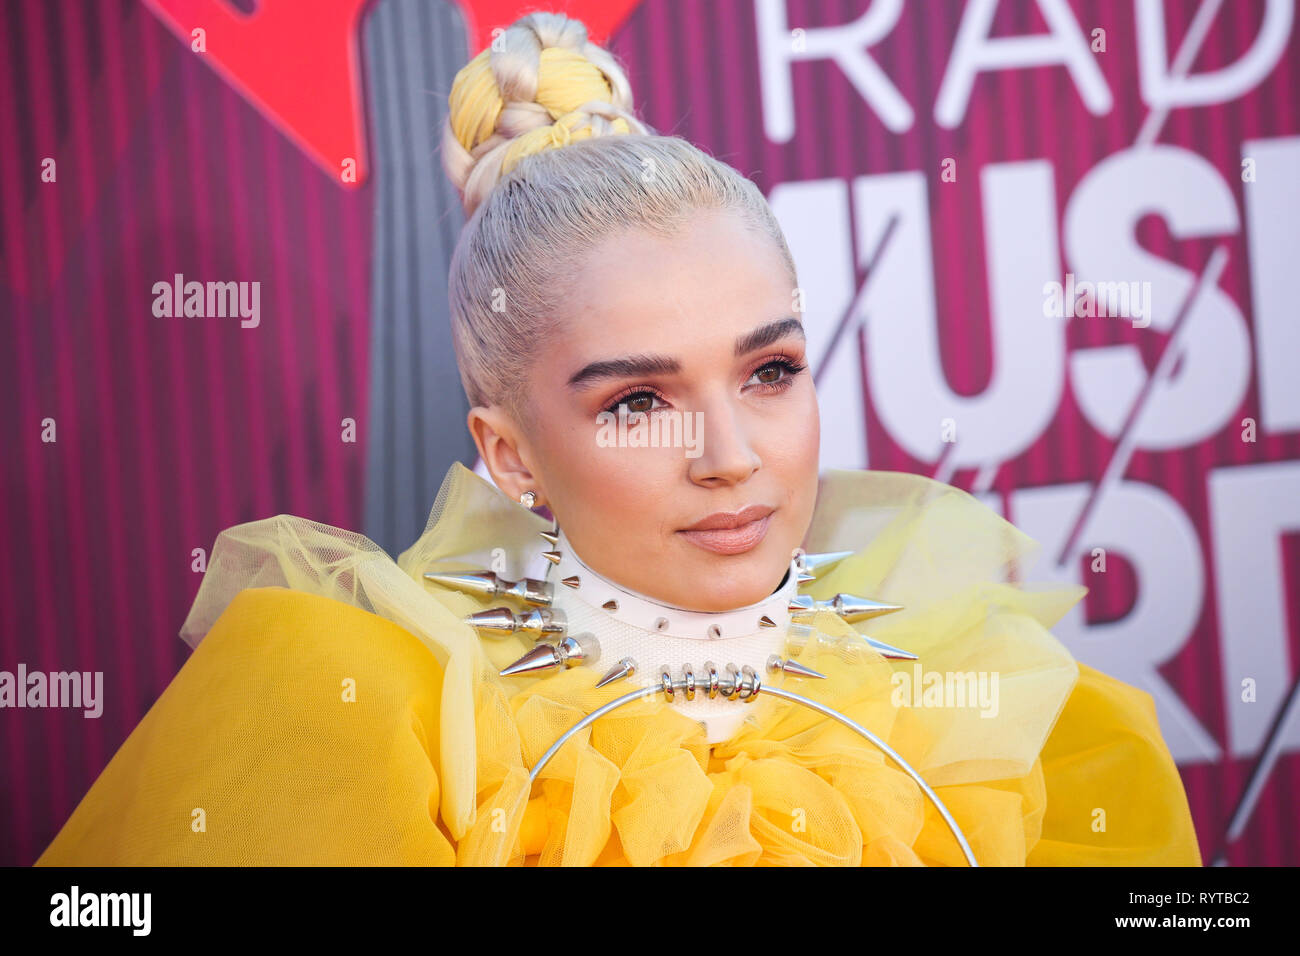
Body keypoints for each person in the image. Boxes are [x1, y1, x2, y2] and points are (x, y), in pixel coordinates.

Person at [36, 11, 1200, 867]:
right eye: (637, 402)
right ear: (510, 455)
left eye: (771, 370)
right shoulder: (359, 724)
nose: (731, 453)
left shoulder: (1004, 718)